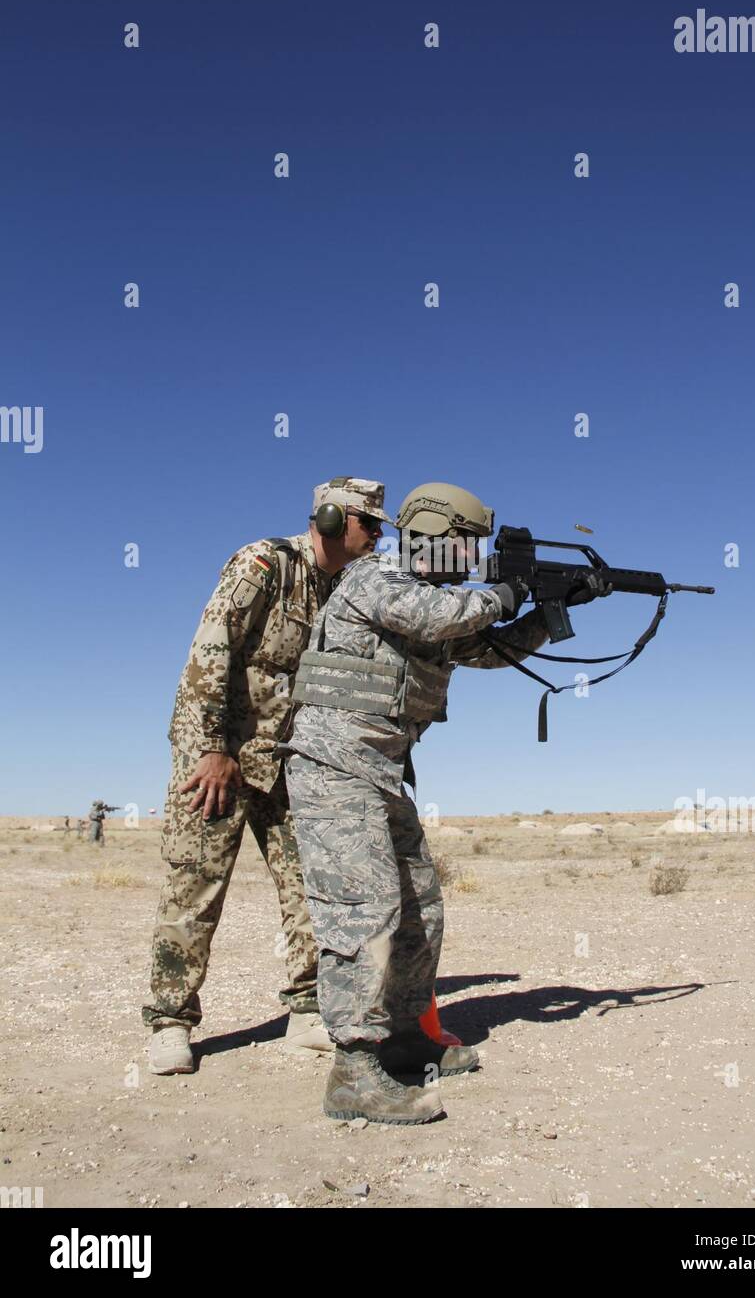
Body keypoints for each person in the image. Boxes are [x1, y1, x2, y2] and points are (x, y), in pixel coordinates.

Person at [285, 482, 611, 1124]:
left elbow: (488, 650)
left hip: (380, 772)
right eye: (465, 546)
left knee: (419, 908)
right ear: (435, 536)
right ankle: (352, 1069)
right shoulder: (376, 579)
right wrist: (512, 592)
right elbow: (447, 618)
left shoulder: (431, 598)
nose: (472, 558)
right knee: (364, 909)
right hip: (332, 766)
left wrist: (552, 610)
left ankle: (403, 1038)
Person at [142, 477, 393, 1075]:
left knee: (311, 885)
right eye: (370, 524)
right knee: (194, 887)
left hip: (288, 760)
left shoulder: (346, 589)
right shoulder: (263, 563)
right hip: (220, 758)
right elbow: (211, 649)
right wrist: (210, 747)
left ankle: (308, 1010)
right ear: (332, 519)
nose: (379, 537)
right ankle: (170, 1021)